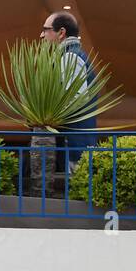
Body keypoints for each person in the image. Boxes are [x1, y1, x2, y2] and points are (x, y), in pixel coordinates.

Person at [42, 10, 99, 163]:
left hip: (74, 142)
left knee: (74, 183)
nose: (42, 35)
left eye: (46, 29)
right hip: (77, 140)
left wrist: (47, 115)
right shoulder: (74, 54)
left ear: (61, 32)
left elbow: (76, 99)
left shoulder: (70, 56)